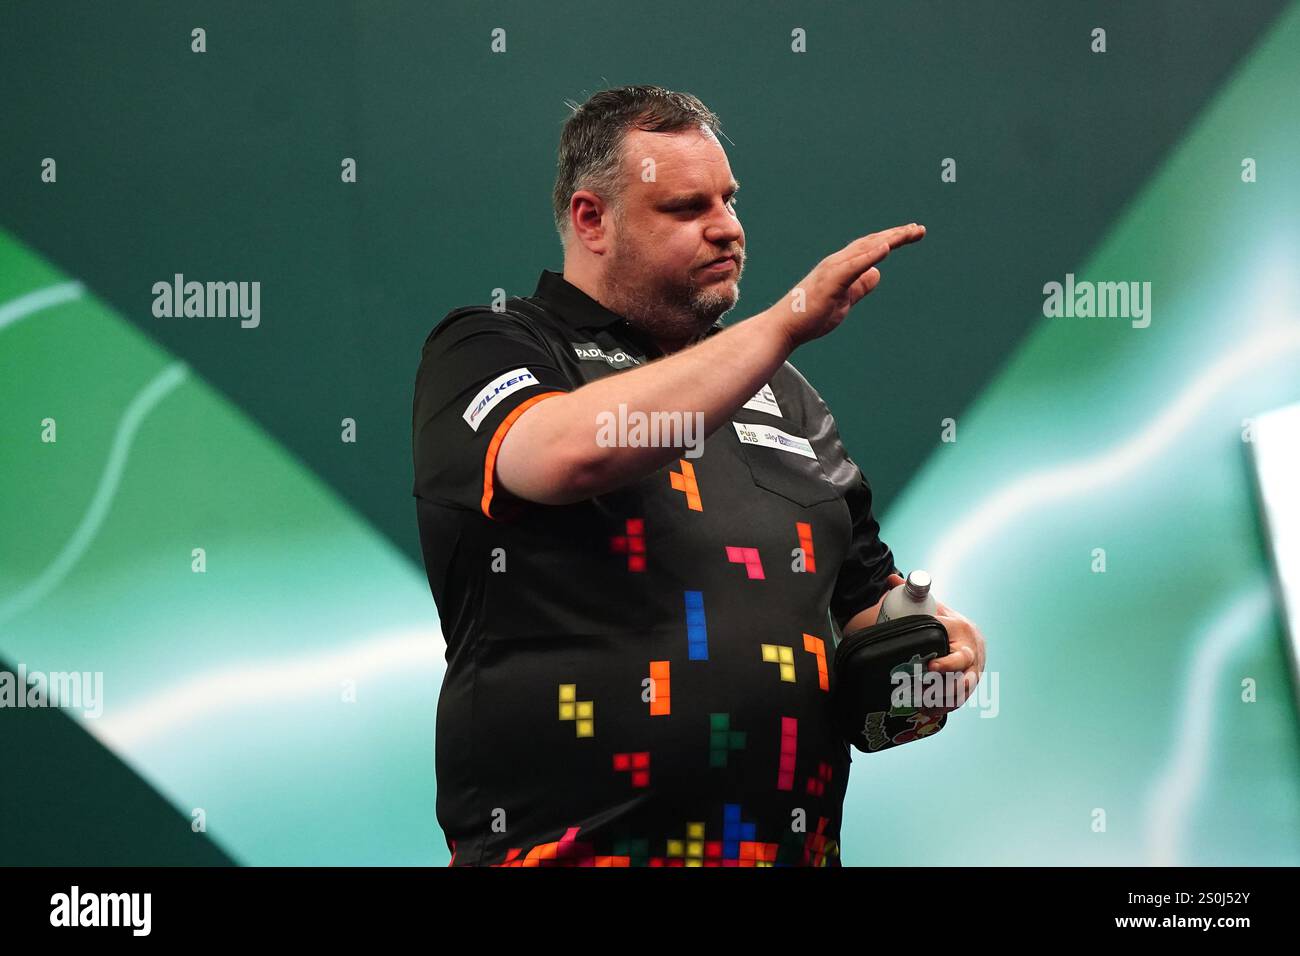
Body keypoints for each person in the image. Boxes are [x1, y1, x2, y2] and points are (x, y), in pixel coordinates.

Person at [411, 85, 986, 866]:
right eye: (686, 208)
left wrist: (932, 646)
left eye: (730, 200)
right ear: (592, 219)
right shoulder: (493, 347)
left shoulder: (787, 394)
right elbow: (563, 454)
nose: (728, 228)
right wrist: (783, 322)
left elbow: (862, 601)